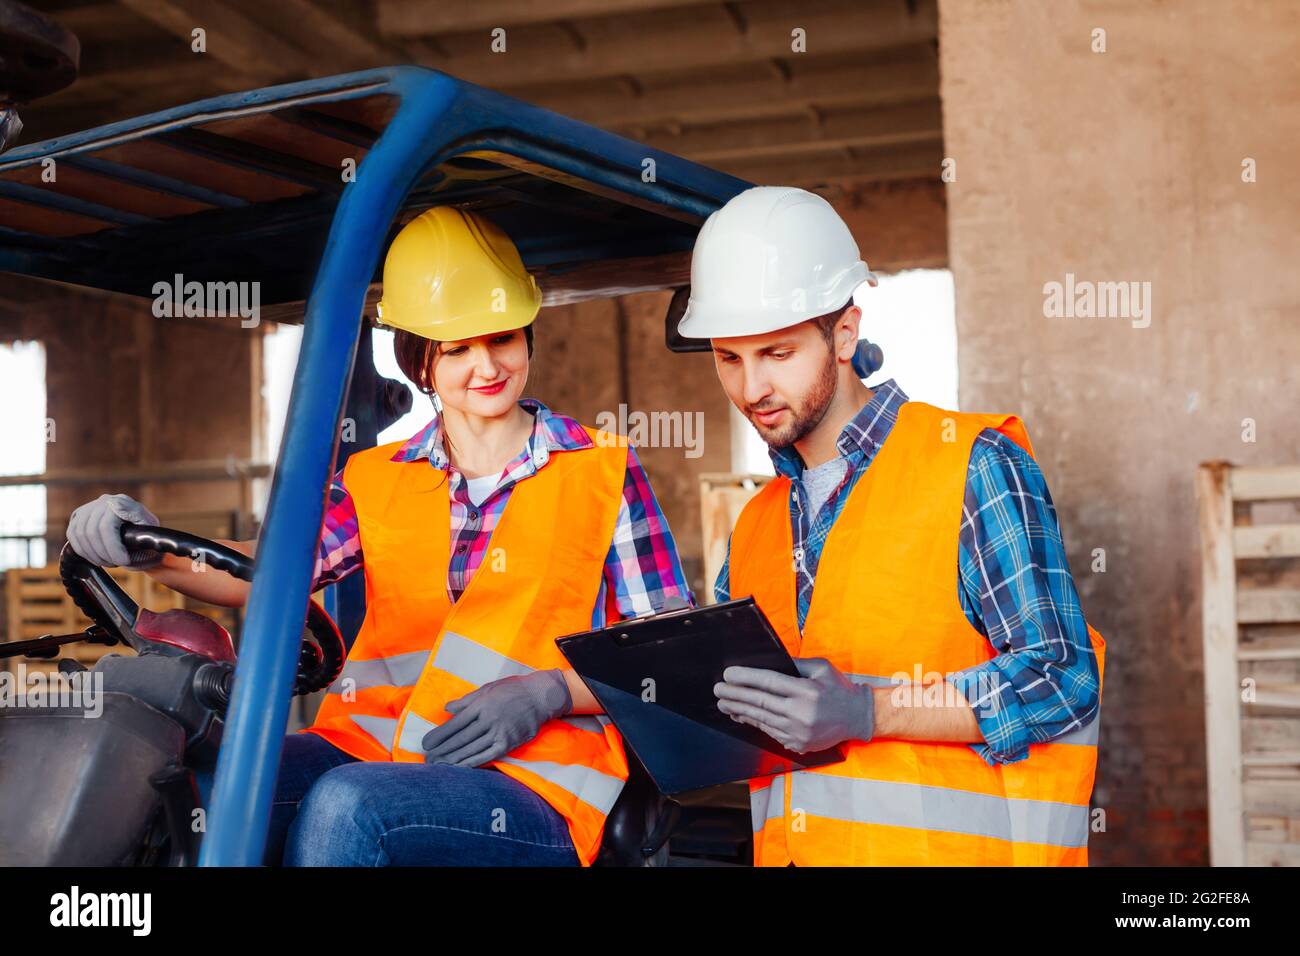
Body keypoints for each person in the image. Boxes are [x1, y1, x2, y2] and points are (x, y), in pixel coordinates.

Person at [66, 206, 694, 867]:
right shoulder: (377, 479)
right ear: (422, 363)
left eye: (503, 338)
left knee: (348, 806)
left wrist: (548, 693)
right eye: (457, 348)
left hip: (536, 781)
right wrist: (142, 543)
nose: (487, 365)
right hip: (377, 744)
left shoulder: (603, 471)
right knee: (203, 781)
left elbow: (671, 657)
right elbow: (264, 574)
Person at [684, 186, 1105, 866]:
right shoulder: (757, 525)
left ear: (844, 332)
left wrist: (868, 711)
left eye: (777, 353)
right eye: (728, 358)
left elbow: (1062, 677)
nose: (751, 388)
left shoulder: (971, 467)